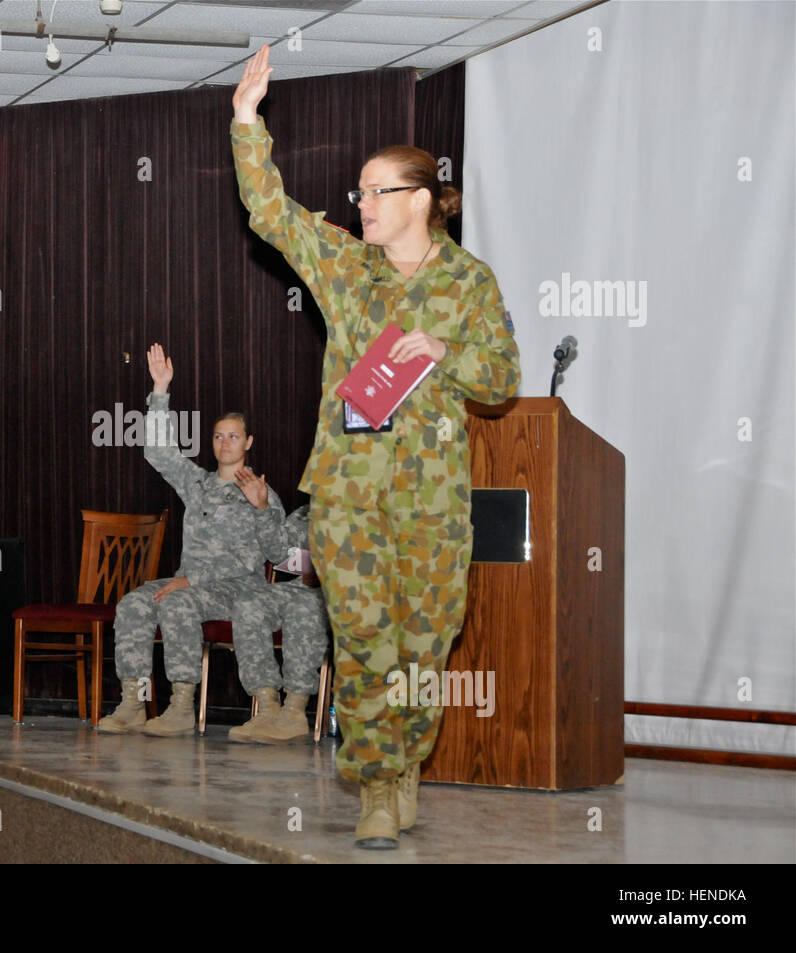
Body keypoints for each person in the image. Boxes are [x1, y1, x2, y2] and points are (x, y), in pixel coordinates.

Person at [229, 46, 521, 848]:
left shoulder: (470, 284)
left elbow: (501, 377)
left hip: (432, 507)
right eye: (358, 192)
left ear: (422, 200)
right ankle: (376, 786)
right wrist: (247, 123)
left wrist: (440, 352)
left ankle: (404, 764)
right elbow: (273, 214)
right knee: (361, 645)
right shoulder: (346, 270)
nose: (360, 203)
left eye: (375, 192)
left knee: (423, 646)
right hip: (350, 496)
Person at [97, 343, 287, 737]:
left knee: (179, 601)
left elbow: (278, 553)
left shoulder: (259, 491)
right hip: (190, 582)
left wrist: (264, 509)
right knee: (133, 604)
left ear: (249, 443)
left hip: (238, 590)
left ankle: (181, 708)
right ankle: (133, 703)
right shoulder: (197, 484)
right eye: (219, 436)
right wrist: (161, 392)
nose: (225, 443)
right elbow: (157, 451)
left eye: (234, 436)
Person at [227, 504, 330, 745]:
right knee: (249, 602)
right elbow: (279, 553)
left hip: (354, 590)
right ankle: (267, 707)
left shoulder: (373, 507)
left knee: (304, 605)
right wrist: (262, 509)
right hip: (306, 584)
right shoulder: (310, 511)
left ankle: (295, 710)